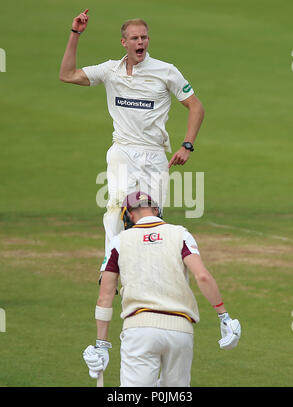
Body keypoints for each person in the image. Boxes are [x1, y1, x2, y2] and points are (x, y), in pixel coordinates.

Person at [59, 10, 205, 269]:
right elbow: (67, 74)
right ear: (124, 43)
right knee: (116, 210)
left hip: (154, 153)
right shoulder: (110, 71)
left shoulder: (165, 71)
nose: (141, 43)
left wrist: (187, 145)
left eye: (145, 38)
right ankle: (110, 268)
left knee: (153, 217)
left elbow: (196, 107)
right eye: (135, 38)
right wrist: (75, 34)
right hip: (123, 150)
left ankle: (149, 271)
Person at [82, 191, 241, 387]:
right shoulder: (181, 234)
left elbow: (104, 298)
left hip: (140, 330)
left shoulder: (118, 242)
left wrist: (101, 345)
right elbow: (203, 276)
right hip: (180, 332)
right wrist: (224, 317)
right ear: (156, 210)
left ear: (129, 215)